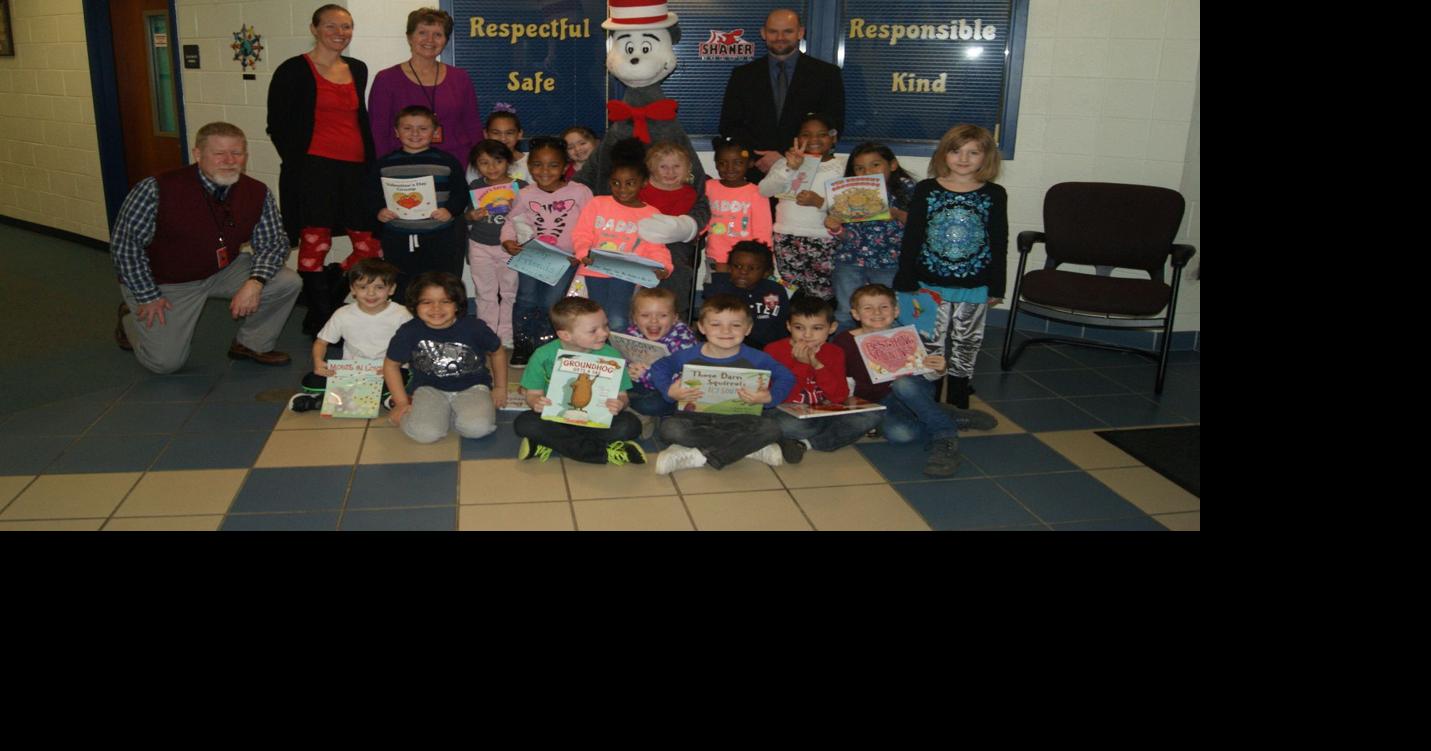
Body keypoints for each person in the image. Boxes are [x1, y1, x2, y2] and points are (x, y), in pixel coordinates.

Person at [111, 122, 302, 374]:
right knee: (164, 363)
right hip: (166, 281)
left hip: (221, 269)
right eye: (219, 153)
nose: (229, 160)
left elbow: (274, 243)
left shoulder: (256, 192)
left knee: (286, 282)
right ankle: (130, 318)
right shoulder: (156, 188)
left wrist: (255, 282)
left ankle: (251, 343)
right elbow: (126, 247)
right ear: (198, 154)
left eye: (237, 153)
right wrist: (147, 296)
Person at [267, 4, 381, 335]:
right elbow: (277, 125)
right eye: (331, 26)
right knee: (315, 244)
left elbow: (359, 120)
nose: (339, 33)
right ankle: (321, 318)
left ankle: (327, 300)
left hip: (356, 171)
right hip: (314, 171)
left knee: (369, 246)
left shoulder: (357, 69)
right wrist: (301, 166)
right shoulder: (293, 69)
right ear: (314, 29)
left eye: (346, 27)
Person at [893, 124, 1008, 409]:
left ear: (986, 157)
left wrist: (997, 285)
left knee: (967, 340)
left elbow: (999, 240)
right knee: (929, 339)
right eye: (956, 151)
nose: (963, 158)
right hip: (928, 282)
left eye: (973, 152)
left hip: (975, 283)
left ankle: (958, 396)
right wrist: (905, 277)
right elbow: (913, 236)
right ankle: (929, 396)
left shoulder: (994, 194)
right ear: (943, 154)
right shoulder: (927, 189)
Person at [834, 284, 974, 478]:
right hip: (877, 402)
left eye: (884, 307)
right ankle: (948, 416)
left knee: (903, 384)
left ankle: (945, 437)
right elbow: (840, 377)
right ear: (855, 314)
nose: (877, 313)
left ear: (896, 311)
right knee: (900, 434)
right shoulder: (843, 342)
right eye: (868, 308)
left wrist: (939, 369)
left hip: (912, 392)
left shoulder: (908, 336)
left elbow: (926, 375)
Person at [649, 293, 797, 475]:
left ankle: (702, 454)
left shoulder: (757, 358)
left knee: (771, 428)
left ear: (748, 329)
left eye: (736, 325)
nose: (726, 331)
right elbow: (659, 367)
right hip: (694, 418)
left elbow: (786, 377)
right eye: (715, 324)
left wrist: (770, 398)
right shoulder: (688, 355)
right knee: (670, 429)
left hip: (741, 419)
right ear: (702, 327)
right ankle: (747, 448)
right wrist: (670, 391)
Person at [513, 297, 646, 466]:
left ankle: (548, 442)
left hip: (596, 419)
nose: (604, 333)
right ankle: (604, 452)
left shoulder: (611, 355)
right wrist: (536, 403)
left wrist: (620, 403)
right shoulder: (542, 355)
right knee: (525, 423)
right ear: (565, 335)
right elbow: (532, 394)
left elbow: (623, 395)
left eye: (605, 325)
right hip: (556, 419)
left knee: (631, 425)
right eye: (593, 331)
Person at [718, 8, 845, 183]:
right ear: (763, 33)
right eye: (773, 31)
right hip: (758, 171)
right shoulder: (742, 76)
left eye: (787, 31)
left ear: (800, 33)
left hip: (808, 173)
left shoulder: (827, 75)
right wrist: (759, 157)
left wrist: (785, 157)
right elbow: (730, 125)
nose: (780, 37)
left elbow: (833, 125)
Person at [384, 271, 507, 444]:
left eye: (446, 301)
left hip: (473, 387)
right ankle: (441, 415)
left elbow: (497, 352)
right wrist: (402, 403)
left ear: (457, 305)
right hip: (429, 389)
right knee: (425, 434)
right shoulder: (408, 332)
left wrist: (500, 387)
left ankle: (451, 414)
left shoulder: (474, 328)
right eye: (427, 302)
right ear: (414, 305)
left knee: (477, 429)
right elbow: (391, 365)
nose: (436, 308)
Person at [501, 136, 593, 366]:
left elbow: (591, 225)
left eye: (553, 165)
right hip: (532, 256)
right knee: (525, 299)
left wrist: (581, 252)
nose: (544, 171)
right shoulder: (526, 194)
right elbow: (512, 221)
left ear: (565, 167)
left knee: (551, 303)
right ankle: (523, 345)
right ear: (529, 166)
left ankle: (546, 347)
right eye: (537, 165)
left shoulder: (580, 192)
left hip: (565, 260)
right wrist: (507, 241)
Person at [570, 138, 674, 332]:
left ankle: (616, 350)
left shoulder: (651, 214)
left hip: (626, 274)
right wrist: (583, 252)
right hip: (594, 270)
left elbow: (656, 247)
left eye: (630, 183)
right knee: (592, 316)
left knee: (617, 318)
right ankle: (595, 349)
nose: (622, 189)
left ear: (643, 183)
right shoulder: (597, 203)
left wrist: (663, 266)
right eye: (616, 183)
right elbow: (582, 233)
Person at [371, 105, 471, 302]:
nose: (415, 134)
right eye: (407, 128)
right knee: (400, 284)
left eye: (423, 129)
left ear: (435, 132)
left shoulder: (447, 161)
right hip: (397, 237)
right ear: (396, 131)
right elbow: (371, 193)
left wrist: (450, 210)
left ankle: (441, 317)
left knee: (441, 283)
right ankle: (404, 319)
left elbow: (461, 192)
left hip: (439, 236)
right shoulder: (384, 164)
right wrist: (379, 210)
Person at [287, 258, 411, 412]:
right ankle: (385, 399)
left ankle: (319, 401)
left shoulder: (402, 314)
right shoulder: (343, 314)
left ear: (391, 289)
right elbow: (321, 342)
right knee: (311, 381)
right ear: (353, 289)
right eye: (363, 287)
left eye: (379, 287)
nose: (371, 293)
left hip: (389, 370)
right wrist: (318, 362)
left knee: (402, 378)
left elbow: (413, 346)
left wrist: (394, 366)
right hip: (351, 371)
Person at [766, 296, 885, 455]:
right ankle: (817, 437)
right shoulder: (774, 350)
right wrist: (802, 364)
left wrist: (817, 366)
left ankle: (806, 443)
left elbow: (839, 396)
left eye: (817, 328)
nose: (807, 335)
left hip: (823, 412)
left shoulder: (835, 352)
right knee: (789, 425)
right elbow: (779, 397)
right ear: (788, 326)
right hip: (788, 412)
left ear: (832, 328)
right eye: (799, 328)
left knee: (872, 415)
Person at [367, 7, 481, 167]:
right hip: (404, 165)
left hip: (455, 164)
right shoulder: (386, 79)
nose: (430, 40)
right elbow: (378, 132)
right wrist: (384, 168)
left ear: (445, 40)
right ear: (409, 37)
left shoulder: (460, 78)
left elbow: (472, 125)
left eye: (438, 34)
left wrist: (479, 163)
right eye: (422, 33)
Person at [826, 142, 918, 330]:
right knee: (846, 310)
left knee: (889, 310)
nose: (867, 172)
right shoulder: (848, 192)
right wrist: (836, 228)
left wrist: (898, 214)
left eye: (875, 165)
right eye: (859, 168)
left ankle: (889, 346)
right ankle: (844, 346)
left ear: (892, 165)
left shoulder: (907, 189)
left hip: (889, 261)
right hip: (850, 259)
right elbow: (849, 237)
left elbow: (920, 224)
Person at [759, 112, 844, 302]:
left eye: (822, 134)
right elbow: (765, 190)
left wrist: (819, 202)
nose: (814, 139)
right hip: (786, 236)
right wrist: (790, 168)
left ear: (833, 138)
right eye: (806, 134)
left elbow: (848, 208)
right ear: (796, 139)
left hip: (824, 239)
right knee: (785, 293)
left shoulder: (841, 167)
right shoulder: (785, 162)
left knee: (820, 295)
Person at [465, 139, 525, 350]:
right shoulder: (475, 186)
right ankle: (487, 334)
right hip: (480, 245)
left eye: (498, 161)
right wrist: (471, 215)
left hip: (510, 248)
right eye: (484, 163)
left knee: (510, 292)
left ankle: (506, 334)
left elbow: (529, 218)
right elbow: (466, 216)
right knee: (485, 292)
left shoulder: (521, 187)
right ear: (476, 166)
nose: (492, 167)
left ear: (508, 161)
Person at [640, 141, 699, 319]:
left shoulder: (689, 194)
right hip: (640, 240)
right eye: (663, 167)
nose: (670, 172)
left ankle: (675, 314)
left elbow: (673, 226)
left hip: (672, 243)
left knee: (676, 266)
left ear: (687, 169)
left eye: (676, 166)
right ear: (651, 168)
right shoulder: (641, 189)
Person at [623, 287, 698, 424]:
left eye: (663, 315)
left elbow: (683, 379)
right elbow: (625, 358)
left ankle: (661, 414)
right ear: (634, 319)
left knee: (650, 405)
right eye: (645, 315)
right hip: (642, 383)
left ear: (674, 318)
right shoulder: (632, 333)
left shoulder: (683, 339)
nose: (654, 321)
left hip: (670, 390)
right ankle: (636, 407)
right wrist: (630, 369)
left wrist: (646, 375)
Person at [701, 241, 788, 350]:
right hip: (726, 345)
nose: (743, 272)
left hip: (766, 349)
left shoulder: (775, 291)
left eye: (752, 268)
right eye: (737, 266)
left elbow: (783, 328)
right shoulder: (719, 289)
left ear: (766, 272)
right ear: (729, 268)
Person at [704, 135, 772, 273]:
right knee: (717, 285)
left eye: (738, 162)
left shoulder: (757, 192)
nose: (730, 168)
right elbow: (702, 216)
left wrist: (766, 259)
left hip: (747, 259)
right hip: (716, 255)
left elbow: (763, 230)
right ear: (716, 164)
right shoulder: (708, 187)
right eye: (723, 163)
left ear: (750, 163)